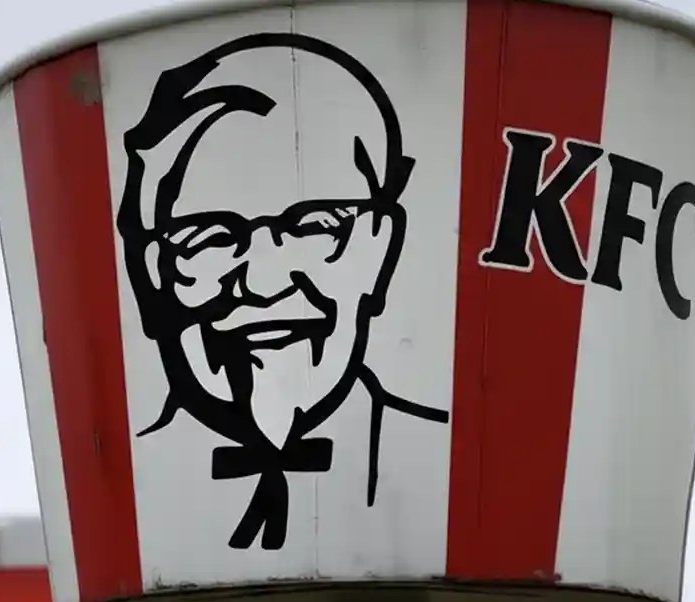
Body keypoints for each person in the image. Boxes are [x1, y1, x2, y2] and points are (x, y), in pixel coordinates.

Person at [115, 32, 448, 551]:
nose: (265, 284)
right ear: (153, 275)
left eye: (315, 227)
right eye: (211, 238)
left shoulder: (450, 468)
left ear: (379, 252)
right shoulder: (116, 494)